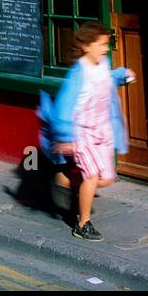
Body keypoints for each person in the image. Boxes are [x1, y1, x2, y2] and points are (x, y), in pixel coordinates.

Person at [38, 21, 135, 241]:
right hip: (82, 133)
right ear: (86, 47)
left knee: (106, 179)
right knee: (91, 176)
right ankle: (82, 224)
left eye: (106, 45)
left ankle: (65, 177)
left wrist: (121, 76)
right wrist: (65, 137)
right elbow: (63, 107)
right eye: (101, 45)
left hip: (103, 131)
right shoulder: (78, 74)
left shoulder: (101, 64)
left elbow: (107, 78)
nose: (105, 49)